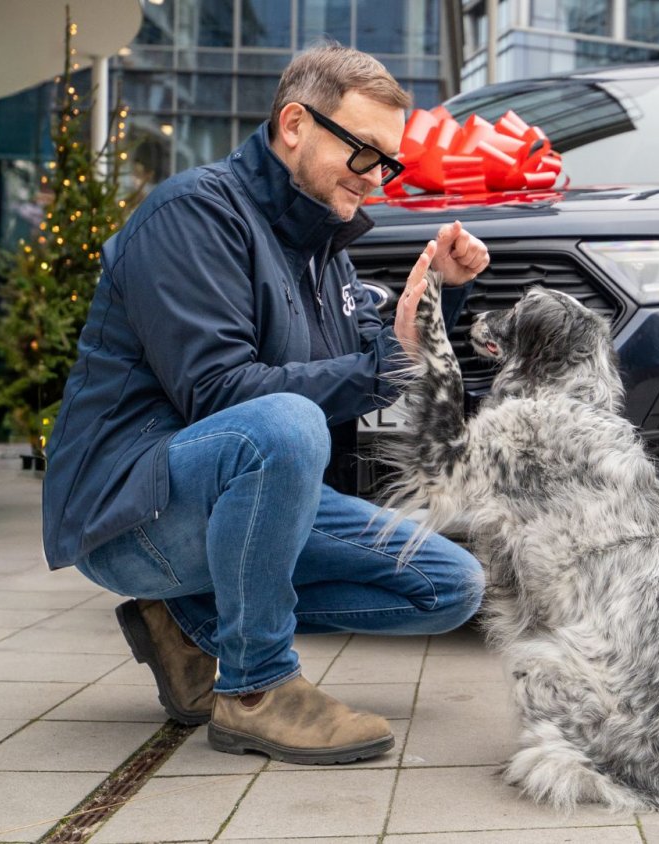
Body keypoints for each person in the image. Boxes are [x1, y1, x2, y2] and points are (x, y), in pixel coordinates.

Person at [41, 44, 488, 765]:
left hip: (245, 501)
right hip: (133, 511)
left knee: (451, 586)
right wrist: (381, 363)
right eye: (363, 151)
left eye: (388, 162)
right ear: (294, 124)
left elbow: (379, 359)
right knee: (285, 421)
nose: (374, 177)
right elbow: (216, 391)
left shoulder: (325, 252)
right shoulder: (192, 215)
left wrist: (439, 297)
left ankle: (188, 620)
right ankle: (257, 687)